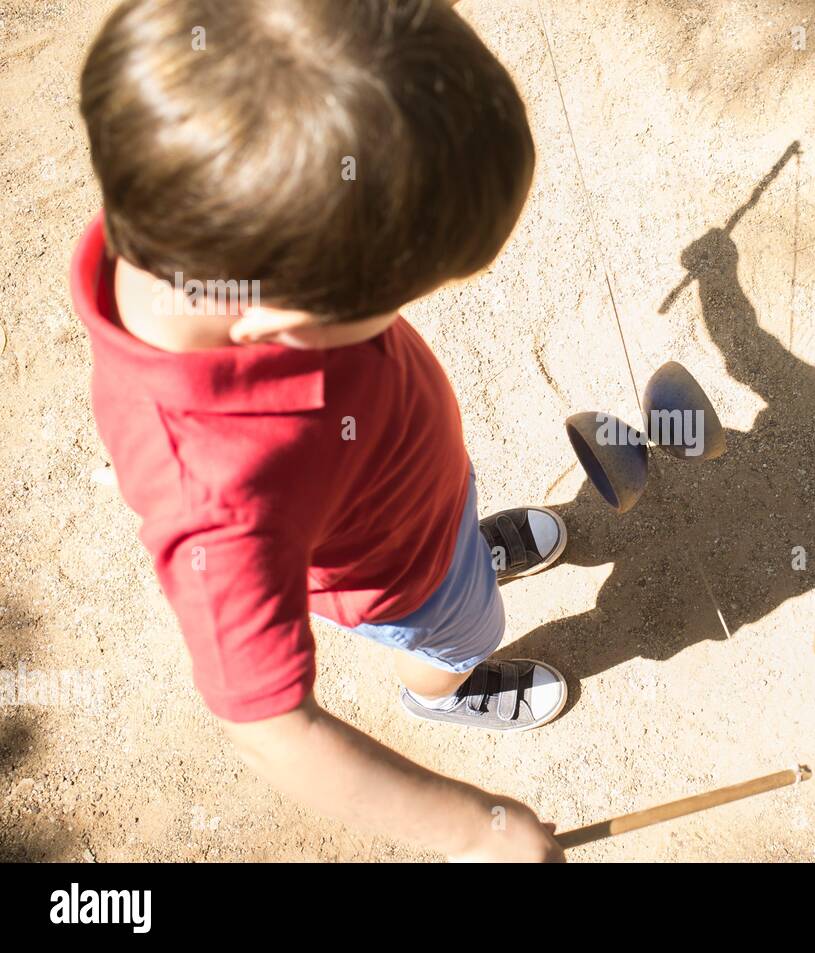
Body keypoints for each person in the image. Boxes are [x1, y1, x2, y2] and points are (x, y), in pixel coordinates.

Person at [72, 0, 566, 861]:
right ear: (277, 328)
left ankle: (465, 549)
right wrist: (477, 828)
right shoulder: (220, 497)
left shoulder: (191, 204)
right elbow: (268, 726)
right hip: (401, 575)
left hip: (414, 489)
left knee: (459, 541)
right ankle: (441, 688)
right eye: (385, 309)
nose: (394, 320)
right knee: (461, 628)